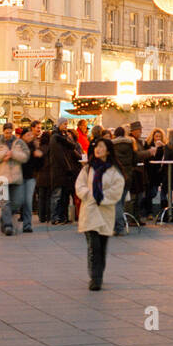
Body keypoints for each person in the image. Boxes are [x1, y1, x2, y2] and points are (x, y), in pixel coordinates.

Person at [75, 135, 126, 290]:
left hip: (105, 212)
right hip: (89, 211)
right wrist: (89, 195)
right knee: (94, 246)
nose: (98, 149)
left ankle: (99, 273)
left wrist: (102, 197)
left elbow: (117, 188)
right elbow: (80, 185)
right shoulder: (88, 168)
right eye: (97, 146)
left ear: (108, 151)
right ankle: (95, 277)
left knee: (101, 246)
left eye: (102, 147)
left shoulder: (113, 171)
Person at [0, 123, 29, 235]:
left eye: (10, 132)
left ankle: (4, 218)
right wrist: (4, 154)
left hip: (16, 177)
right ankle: (8, 225)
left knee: (17, 202)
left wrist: (13, 154)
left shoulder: (19, 142)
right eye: (6, 132)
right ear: (3, 132)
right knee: (4, 202)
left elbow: (25, 157)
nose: (8, 135)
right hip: (1, 177)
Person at [49, 119, 80, 226]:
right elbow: (59, 156)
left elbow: (72, 146)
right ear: (59, 125)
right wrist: (68, 167)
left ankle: (62, 216)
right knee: (57, 195)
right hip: (59, 170)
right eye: (64, 124)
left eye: (67, 124)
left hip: (64, 170)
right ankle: (55, 217)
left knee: (63, 196)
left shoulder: (62, 137)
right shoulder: (56, 138)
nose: (66, 126)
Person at [111, 126, 137, 232]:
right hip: (128, 176)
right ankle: (119, 226)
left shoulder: (112, 145)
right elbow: (135, 160)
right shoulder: (131, 144)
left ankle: (119, 226)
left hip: (116, 176)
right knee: (121, 201)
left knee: (116, 202)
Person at [19, 125, 41, 233]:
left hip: (30, 177)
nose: (30, 137)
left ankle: (27, 224)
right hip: (17, 177)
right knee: (16, 201)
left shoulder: (34, 147)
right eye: (28, 135)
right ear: (22, 136)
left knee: (28, 201)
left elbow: (38, 166)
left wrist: (39, 157)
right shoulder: (18, 146)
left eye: (31, 135)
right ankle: (7, 221)